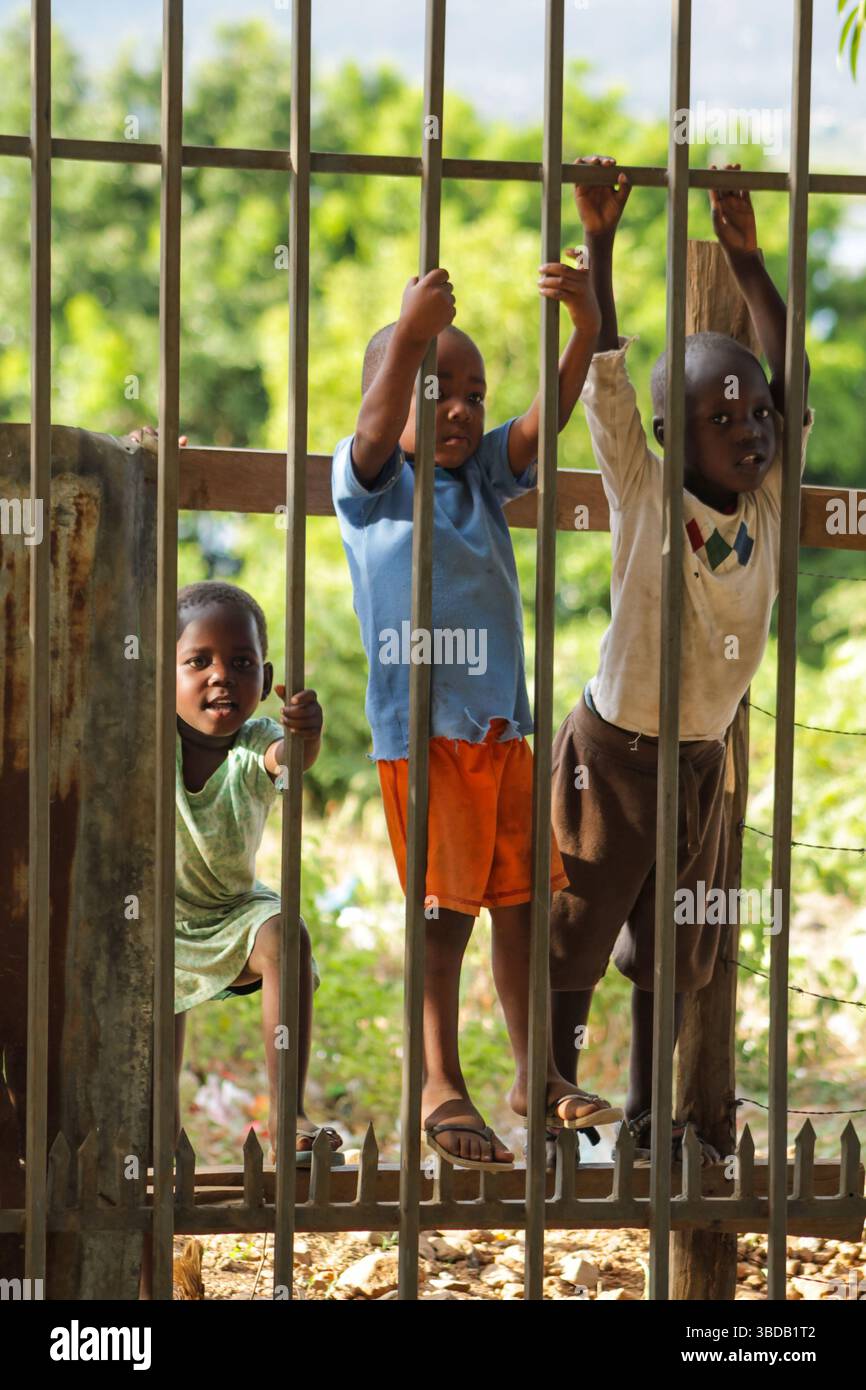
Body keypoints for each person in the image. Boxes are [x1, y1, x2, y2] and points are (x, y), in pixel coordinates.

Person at [332, 251, 622, 1171]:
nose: (459, 409)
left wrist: (582, 327)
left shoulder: (482, 479)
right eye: (435, 389)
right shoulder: (371, 487)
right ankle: (437, 1083)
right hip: (427, 740)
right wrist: (410, 331)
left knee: (521, 906)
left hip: (503, 733)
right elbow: (378, 424)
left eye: (471, 391)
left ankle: (536, 1075)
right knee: (440, 916)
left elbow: (543, 423)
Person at [549, 157, 814, 1163]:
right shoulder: (645, 488)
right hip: (613, 747)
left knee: (673, 950)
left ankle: (649, 1124)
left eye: (754, 415)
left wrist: (752, 267)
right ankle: (550, 1104)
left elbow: (790, 379)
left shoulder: (764, 502)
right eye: (723, 418)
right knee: (575, 931)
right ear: (668, 436)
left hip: (700, 755)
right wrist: (603, 241)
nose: (749, 429)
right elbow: (608, 369)